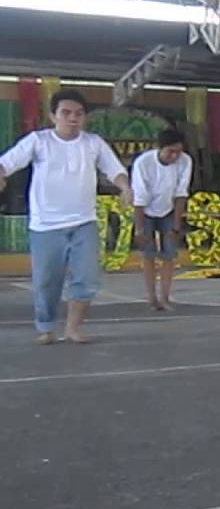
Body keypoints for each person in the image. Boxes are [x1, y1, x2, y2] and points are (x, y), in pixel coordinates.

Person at [0, 89, 132, 344]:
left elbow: (114, 169)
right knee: (47, 281)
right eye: (66, 113)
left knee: (87, 277)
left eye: (79, 114)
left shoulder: (93, 143)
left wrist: (125, 186)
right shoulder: (38, 141)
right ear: (53, 116)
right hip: (45, 225)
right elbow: (8, 161)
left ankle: (73, 327)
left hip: (84, 222)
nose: (73, 118)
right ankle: (46, 326)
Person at [130, 128, 192, 312]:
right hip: (146, 211)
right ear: (159, 148)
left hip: (169, 210)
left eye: (178, 152)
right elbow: (139, 199)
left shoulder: (185, 161)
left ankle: (165, 297)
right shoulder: (143, 163)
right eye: (170, 152)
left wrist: (175, 227)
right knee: (148, 255)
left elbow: (181, 193)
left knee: (169, 256)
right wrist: (139, 230)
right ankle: (152, 298)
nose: (174, 156)